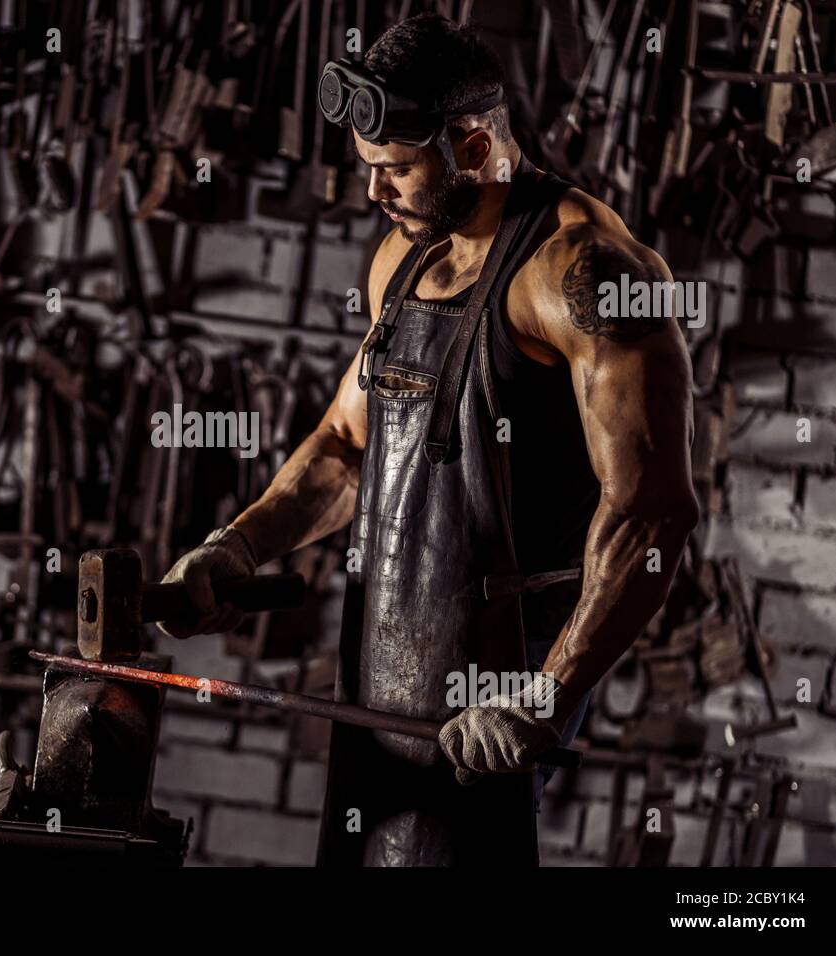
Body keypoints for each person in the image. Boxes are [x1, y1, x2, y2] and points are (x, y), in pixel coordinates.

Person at [158, 14, 698, 866]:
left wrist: (545, 695)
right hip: (382, 663)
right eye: (368, 169)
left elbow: (652, 513)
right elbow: (345, 442)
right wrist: (236, 547)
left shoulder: (586, 273)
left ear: (476, 148)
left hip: (498, 687)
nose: (375, 194)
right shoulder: (404, 260)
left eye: (397, 171)